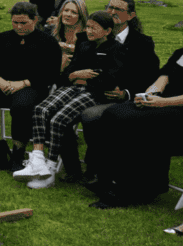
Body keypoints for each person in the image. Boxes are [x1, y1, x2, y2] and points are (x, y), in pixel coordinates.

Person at [85, 5, 183, 209]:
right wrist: (148, 95)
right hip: (162, 107)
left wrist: (163, 102)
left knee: (127, 121)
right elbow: (162, 79)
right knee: (112, 113)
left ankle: (130, 188)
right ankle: (108, 178)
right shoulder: (182, 53)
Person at [13, 11, 126, 189]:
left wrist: (82, 79)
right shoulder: (84, 45)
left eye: (94, 28)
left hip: (94, 94)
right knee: (40, 110)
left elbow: (109, 80)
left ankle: (50, 170)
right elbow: (66, 75)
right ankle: (37, 161)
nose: (89, 31)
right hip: (72, 87)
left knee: (58, 120)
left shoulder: (116, 50)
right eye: (88, 27)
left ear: (107, 31)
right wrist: (76, 75)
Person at [0, 2, 62, 170]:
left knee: (21, 107)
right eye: (15, 22)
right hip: (2, 84)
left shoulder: (48, 42)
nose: (19, 26)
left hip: (32, 86)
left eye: (23, 22)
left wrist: (23, 83)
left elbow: (51, 74)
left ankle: (18, 154)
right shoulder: (2, 38)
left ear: (35, 20)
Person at [80, 0, 161, 176]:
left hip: (123, 98)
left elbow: (149, 77)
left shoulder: (142, 43)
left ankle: (98, 166)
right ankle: (74, 166)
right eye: (110, 7)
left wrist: (126, 93)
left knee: (92, 115)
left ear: (131, 16)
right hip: (91, 91)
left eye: (118, 9)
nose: (112, 12)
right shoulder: (92, 36)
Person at [48, 0, 89, 72]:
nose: (68, 14)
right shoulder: (50, 31)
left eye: (74, 12)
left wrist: (68, 47)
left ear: (81, 16)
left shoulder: (87, 36)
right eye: (66, 10)